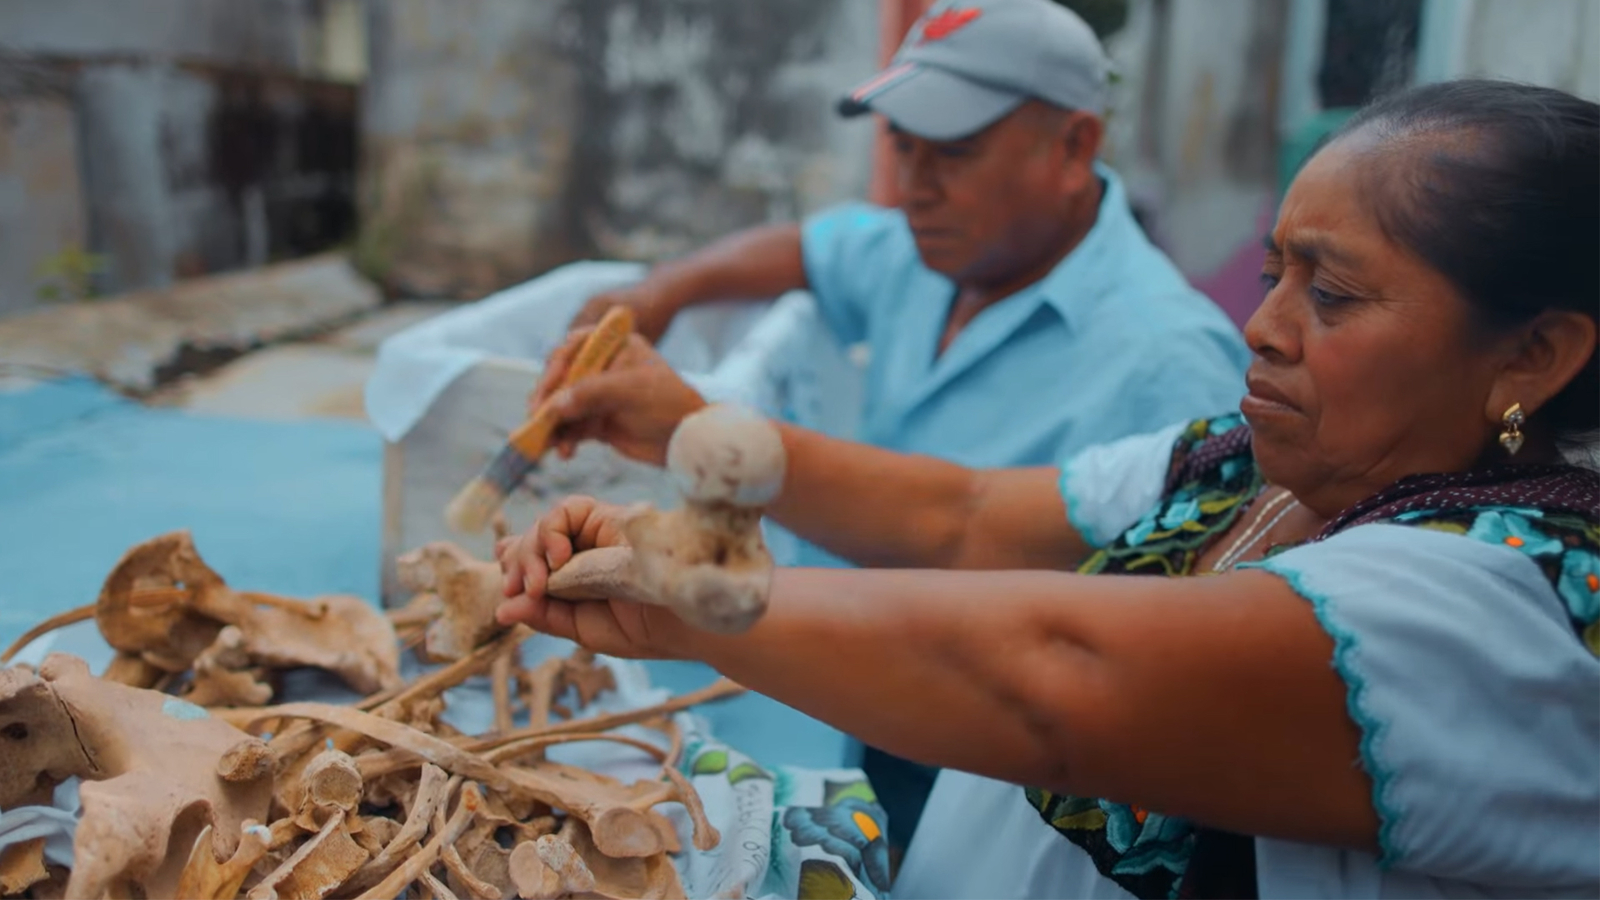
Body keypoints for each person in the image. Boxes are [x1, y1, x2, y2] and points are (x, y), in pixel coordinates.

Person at [499, 79, 1600, 898]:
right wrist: (691, 429)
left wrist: (700, 598)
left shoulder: (1507, 602)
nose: (1260, 328)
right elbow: (963, 517)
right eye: (1275, 276)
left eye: (1337, 296)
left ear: (1531, 355)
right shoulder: (1238, 462)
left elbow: (1063, 675)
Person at [540, 0, 1249, 850]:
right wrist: (659, 292)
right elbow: (815, 246)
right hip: (866, 695)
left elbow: (967, 533)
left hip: (1020, 794)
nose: (915, 185)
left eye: (953, 152)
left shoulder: (1170, 363)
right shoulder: (935, 250)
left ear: (1074, 148)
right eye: (901, 147)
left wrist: (696, 428)